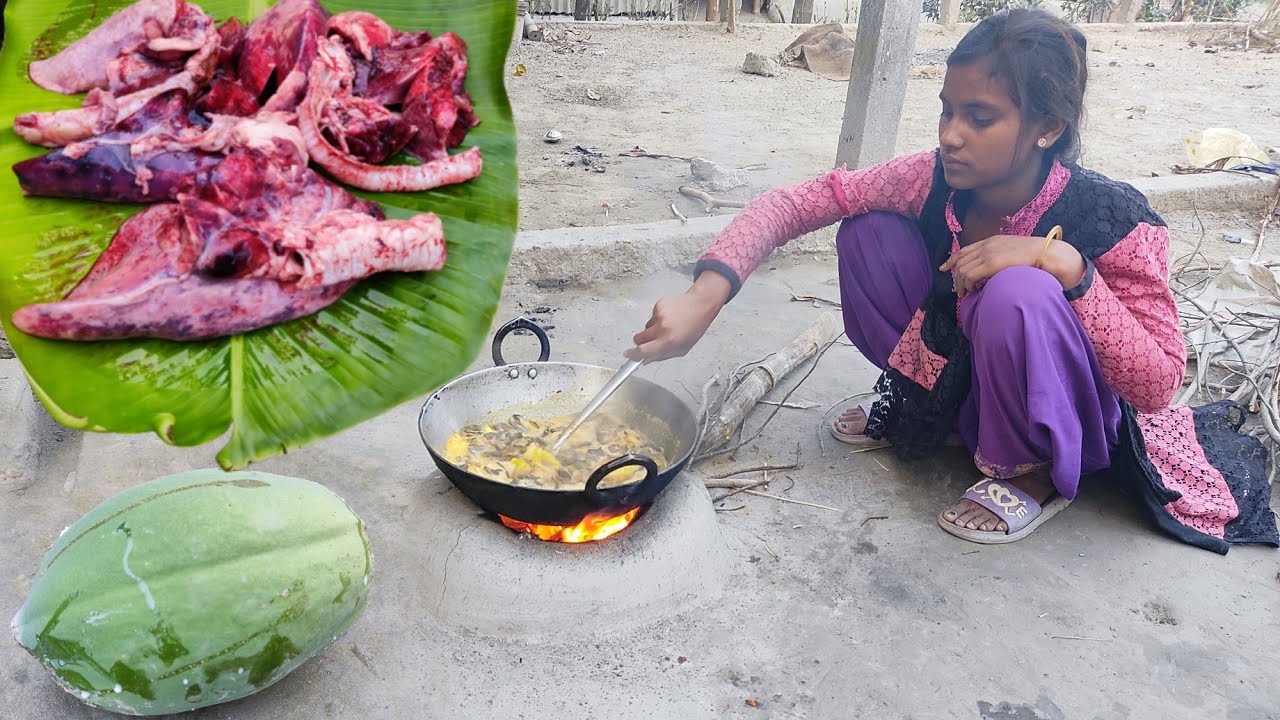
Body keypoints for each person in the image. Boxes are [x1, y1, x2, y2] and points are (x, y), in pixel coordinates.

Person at [625, 9, 1277, 552]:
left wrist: (1067, 268)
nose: (952, 136)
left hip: (1075, 408)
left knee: (1018, 293)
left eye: (980, 118)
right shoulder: (932, 177)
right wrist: (706, 292)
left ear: (1049, 128)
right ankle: (943, 418)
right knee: (867, 232)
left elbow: (1158, 385)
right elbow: (805, 200)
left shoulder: (1112, 219)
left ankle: (1034, 469)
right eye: (947, 111)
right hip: (967, 364)